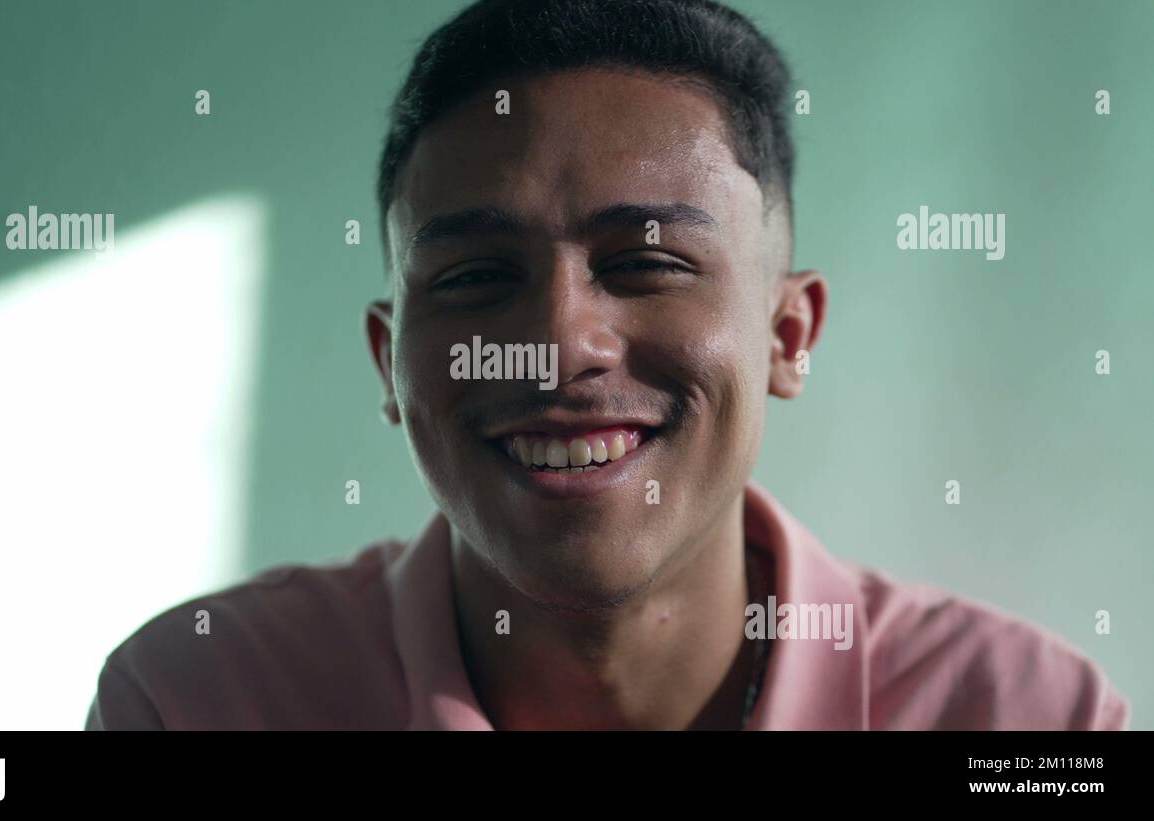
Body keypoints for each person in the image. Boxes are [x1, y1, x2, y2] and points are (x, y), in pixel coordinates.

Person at [87, 0, 1129, 730]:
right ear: (387, 362)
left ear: (787, 334)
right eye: (475, 277)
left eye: (645, 263)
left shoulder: (1028, 720)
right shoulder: (197, 699)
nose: (557, 342)